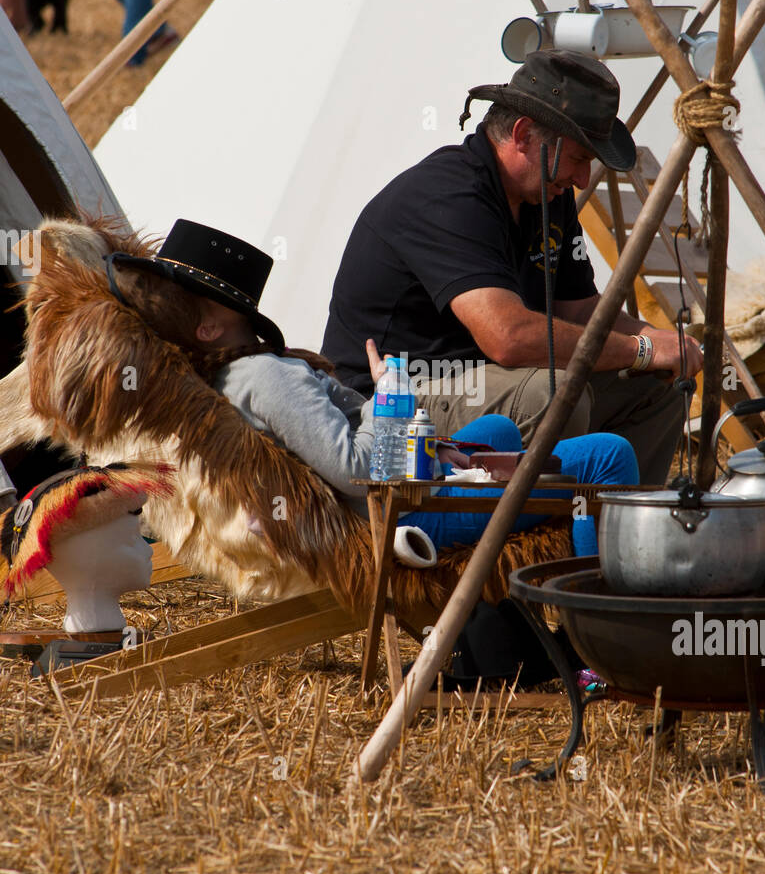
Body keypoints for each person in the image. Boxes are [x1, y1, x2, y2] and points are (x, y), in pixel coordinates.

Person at [104, 219, 639, 558]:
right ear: (209, 328)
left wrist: (431, 444)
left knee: (497, 428)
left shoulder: (233, 375)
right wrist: (391, 395)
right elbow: (360, 475)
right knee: (606, 457)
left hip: (396, 495)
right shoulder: (266, 376)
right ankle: (596, 639)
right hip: (391, 518)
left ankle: (510, 625)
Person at [322, 51, 704, 486]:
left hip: (486, 381)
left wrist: (651, 339)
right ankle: (539, 538)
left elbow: (579, 312)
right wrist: (640, 349)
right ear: (523, 135)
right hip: (394, 395)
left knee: (658, 386)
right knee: (553, 393)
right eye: (579, 157)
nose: (583, 179)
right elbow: (507, 337)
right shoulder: (447, 195)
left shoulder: (548, 196)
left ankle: (615, 532)